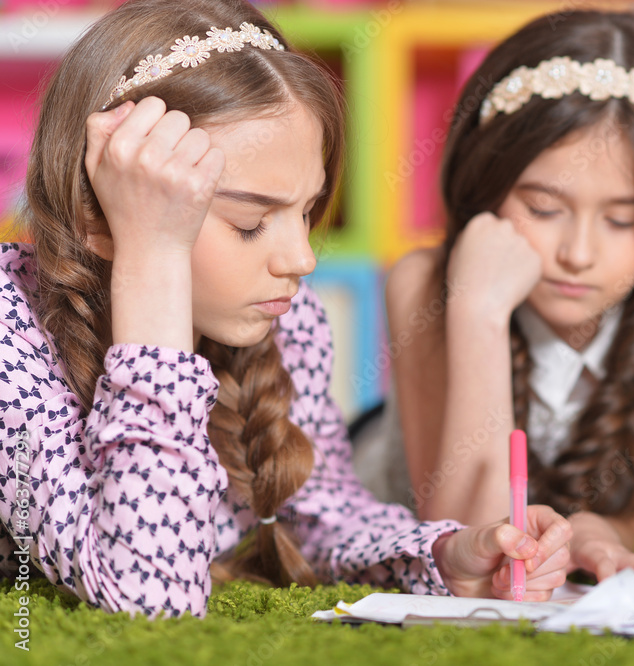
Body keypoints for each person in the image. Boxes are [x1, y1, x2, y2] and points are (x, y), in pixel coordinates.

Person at [0, 0, 572, 619]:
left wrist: (443, 556)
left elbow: (321, 513)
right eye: (250, 223)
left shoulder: (285, 322)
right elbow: (149, 599)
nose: (300, 258)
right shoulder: (12, 329)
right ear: (99, 215)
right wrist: (154, 259)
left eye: (306, 212)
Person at [352, 8, 634, 600]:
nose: (578, 253)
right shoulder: (422, 282)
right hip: (390, 510)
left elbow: (626, 504)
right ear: (484, 187)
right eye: (545, 209)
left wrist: (594, 537)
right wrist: (479, 311)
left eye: (622, 218)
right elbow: (464, 541)